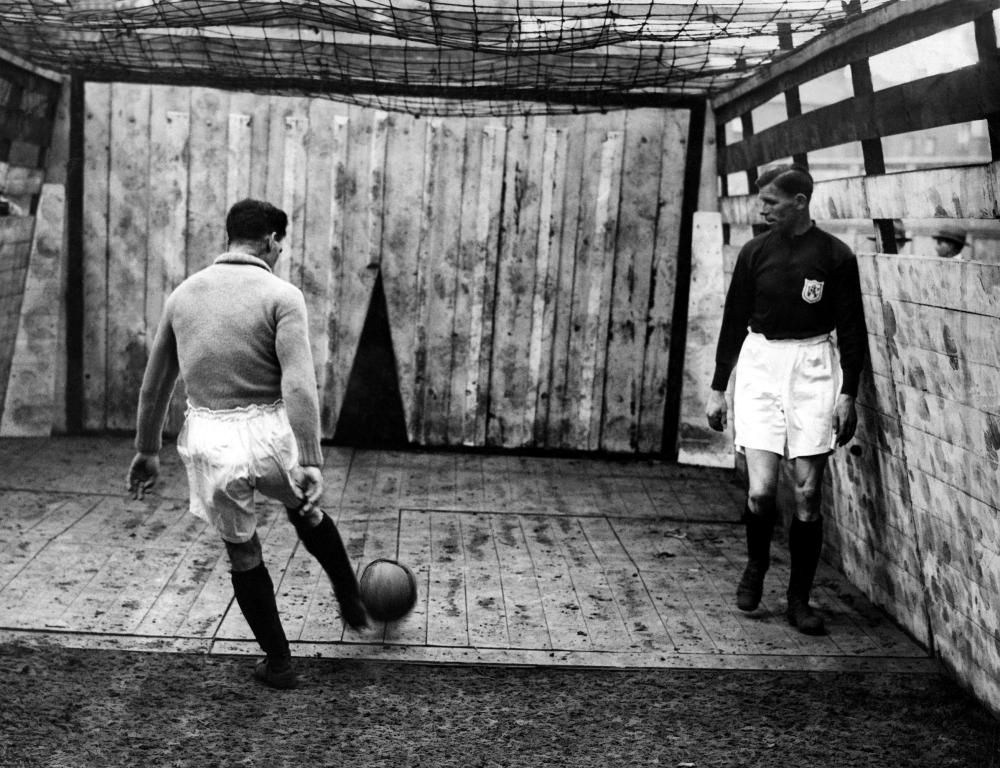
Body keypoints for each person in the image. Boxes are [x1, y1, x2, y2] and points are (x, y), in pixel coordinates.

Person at [126, 199, 367, 689]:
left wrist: (147, 450)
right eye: (282, 243)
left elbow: (155, 386)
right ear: (271, 241)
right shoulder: (282, 295)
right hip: (270, 435)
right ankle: (351, 597)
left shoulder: (183, 295)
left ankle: (278, 663)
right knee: (307, 510)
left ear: (229, 235)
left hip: (210, 441)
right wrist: (311, 459)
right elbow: (298, 385)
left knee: (243, 553)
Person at [706, 164, 867, 636]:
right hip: (761, 364)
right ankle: (756, 566)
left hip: (814, 365)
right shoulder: (755, 253)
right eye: (762, 202)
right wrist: (719, 387)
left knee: (809, 492)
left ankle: (799, 599)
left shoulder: (835, 257)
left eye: (772, 202)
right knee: (760, 492)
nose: (763, 209)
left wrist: (848, 393)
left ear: (800, 202)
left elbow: (853, 331)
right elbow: (733, 321)